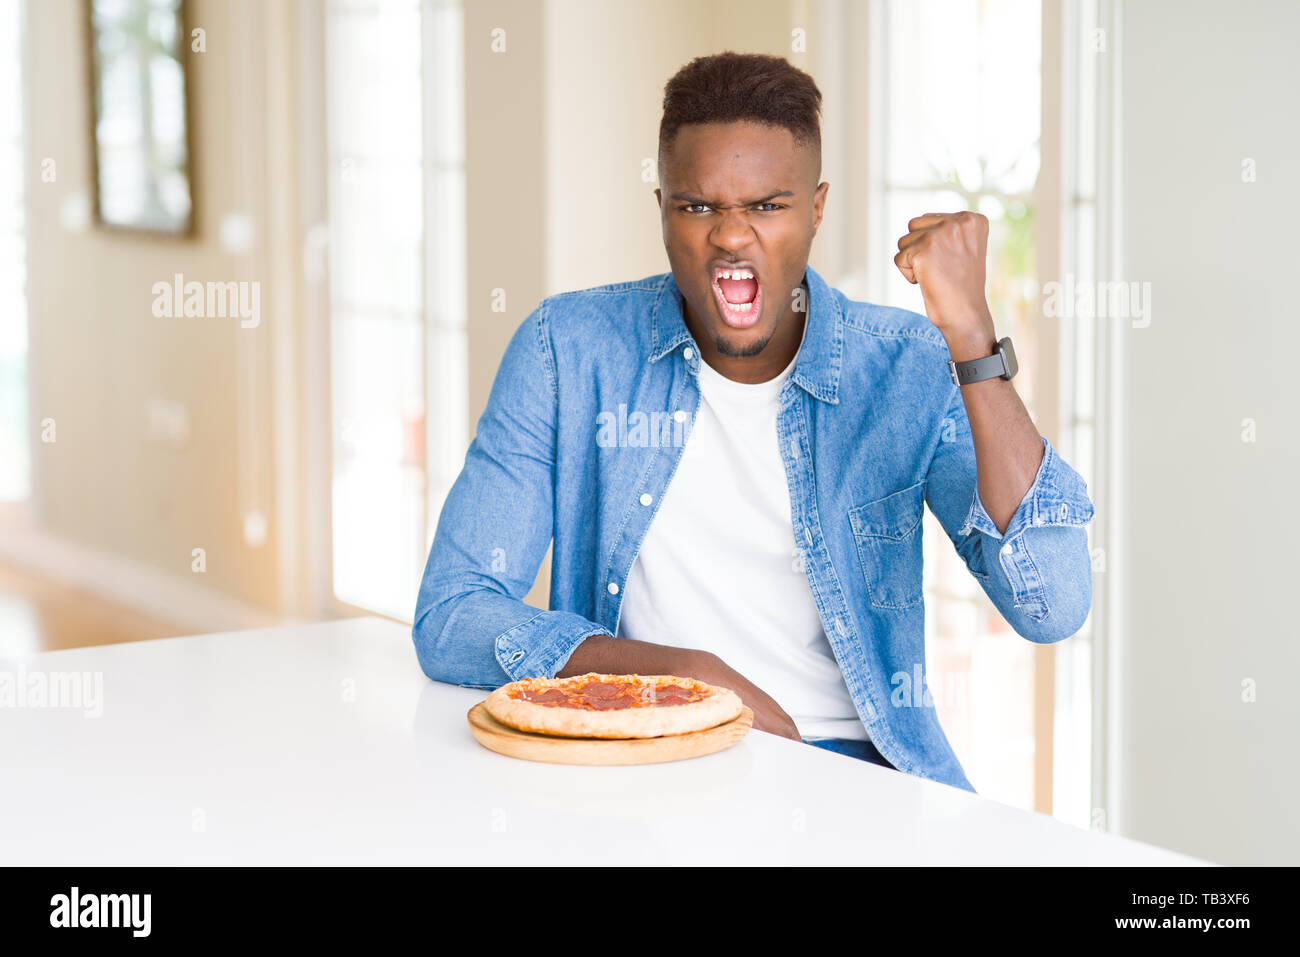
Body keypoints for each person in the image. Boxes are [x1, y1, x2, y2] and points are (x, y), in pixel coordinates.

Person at [412, 51, 1095, 793]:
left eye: (768, 205)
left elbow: (1052, 603)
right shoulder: (567, 351)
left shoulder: (905, 367)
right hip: (648, 761)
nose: (732, 236)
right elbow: (453, 614)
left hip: (856, 779)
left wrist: (971, 338)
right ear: (663, 207)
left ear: (816, 208)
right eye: (698, 205)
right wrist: (688, 677)